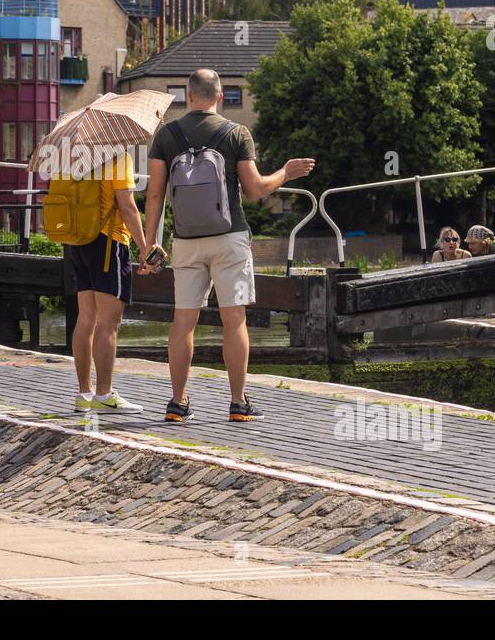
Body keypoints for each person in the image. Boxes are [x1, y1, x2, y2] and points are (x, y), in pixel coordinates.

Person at [143, 69, 315, 423]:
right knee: (234, 319)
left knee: (183, 321)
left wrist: (150, 243)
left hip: (187, 241)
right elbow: (254, 190)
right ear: (220, 97)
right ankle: (238, 403)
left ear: (189, 96)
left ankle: (177, 402)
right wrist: (285, 172)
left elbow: (156, 194)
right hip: (230, 239)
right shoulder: (236, 133)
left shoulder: (166, 136)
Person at [68, 148, 163, 414]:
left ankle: (83, 393)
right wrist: (145, 248)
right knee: (109, 322)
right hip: (109, 241)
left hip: (78, 240)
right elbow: (127, 206)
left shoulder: (75, 154)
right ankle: (104, 393)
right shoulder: (118, 157)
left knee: (86, 317)